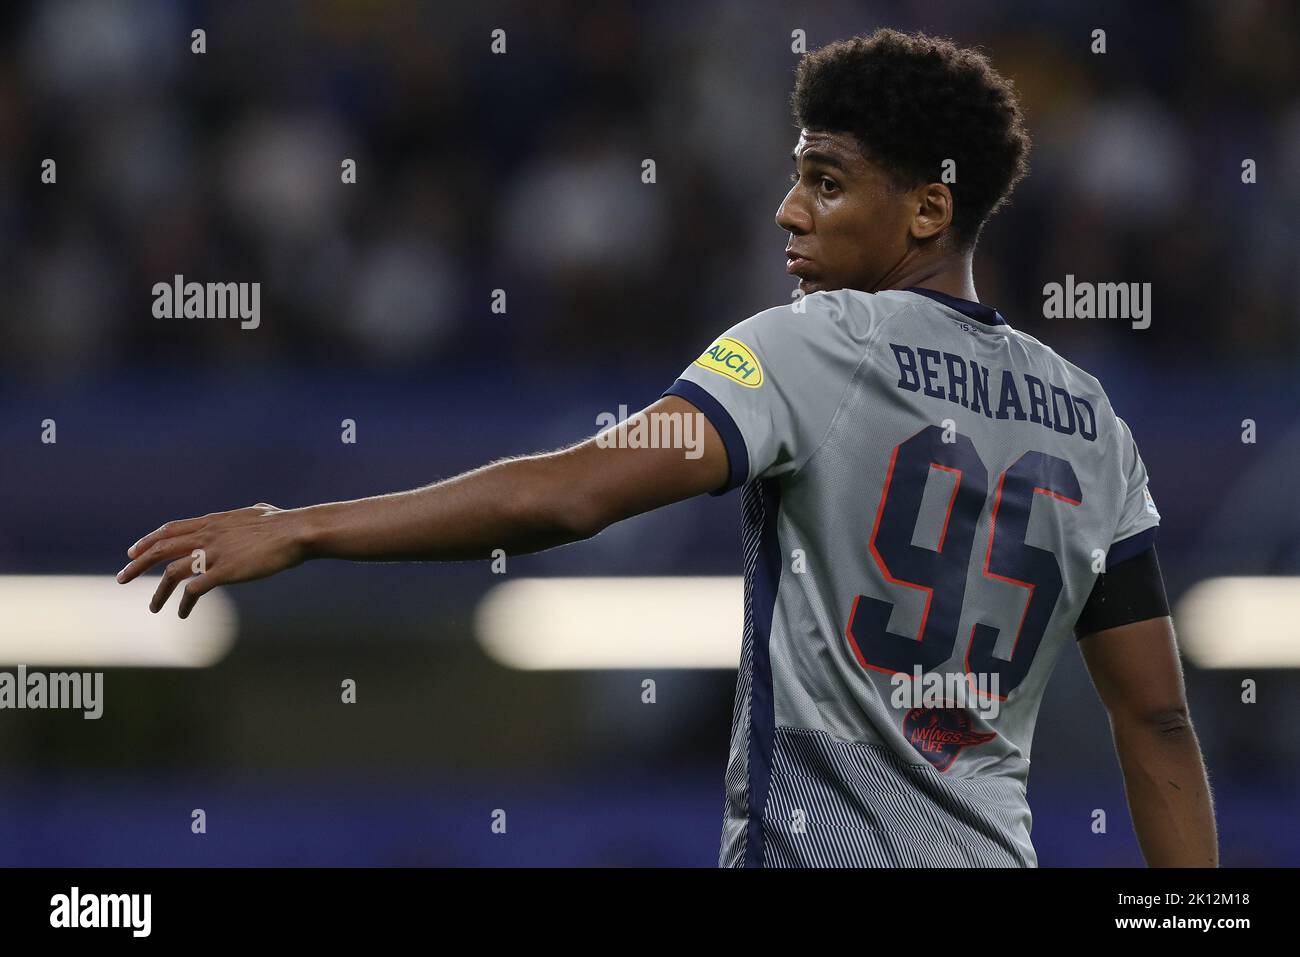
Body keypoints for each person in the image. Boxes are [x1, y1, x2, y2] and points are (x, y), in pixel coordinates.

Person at [118, 29, 1217, 868]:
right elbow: (1157, 717)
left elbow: (574, 494)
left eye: (827, 182)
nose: (789, 211)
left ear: (928, 209)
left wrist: (304, 527)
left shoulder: (817, 347)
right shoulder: (1089, 418)